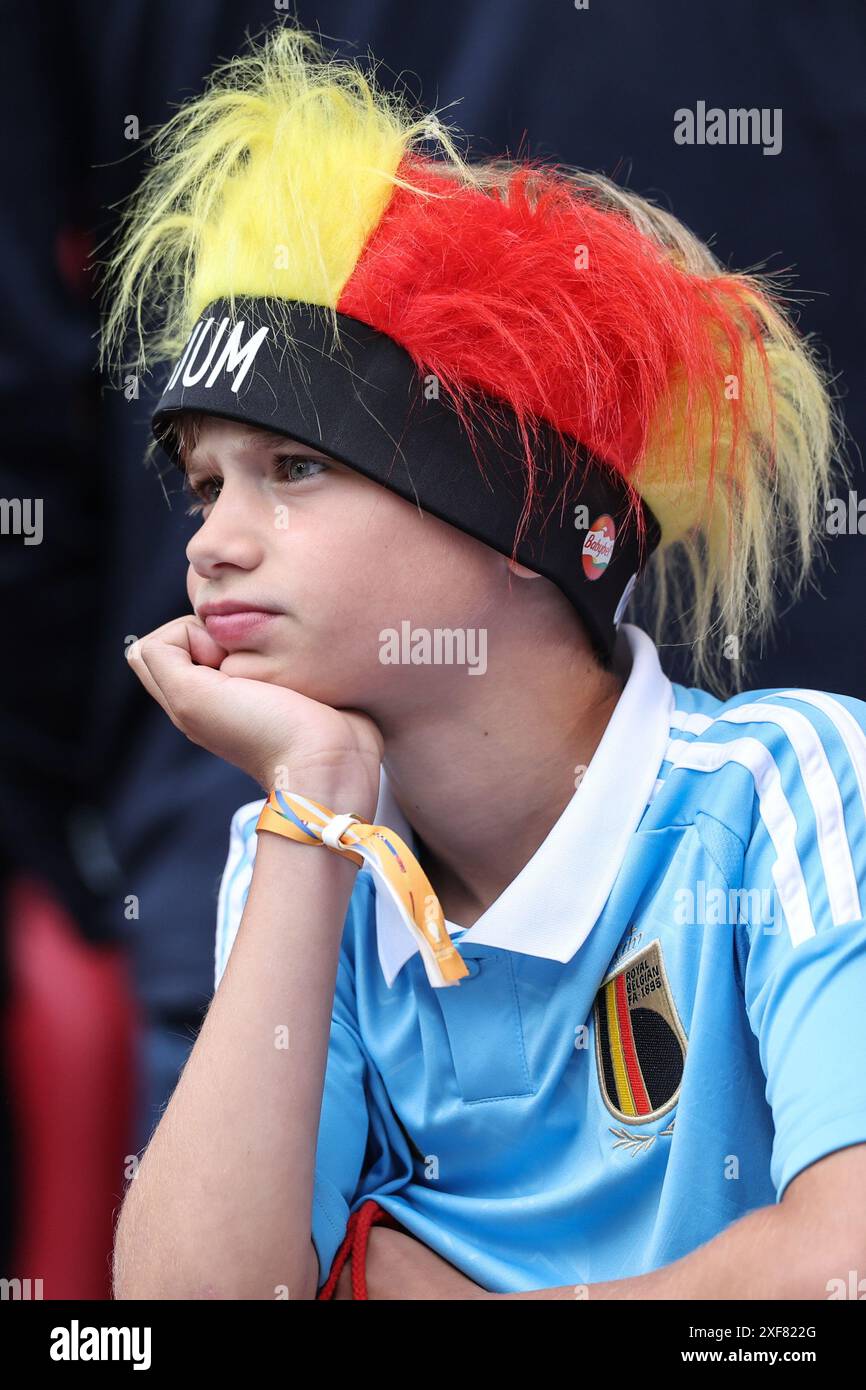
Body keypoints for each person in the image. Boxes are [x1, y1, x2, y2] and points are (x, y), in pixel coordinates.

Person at [100, 22, 866, 1299]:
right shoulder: (301, 842)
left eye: (294, 468)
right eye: (200, 486)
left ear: (518, 515)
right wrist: (311, 810)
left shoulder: (793, 780)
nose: (214, 546)